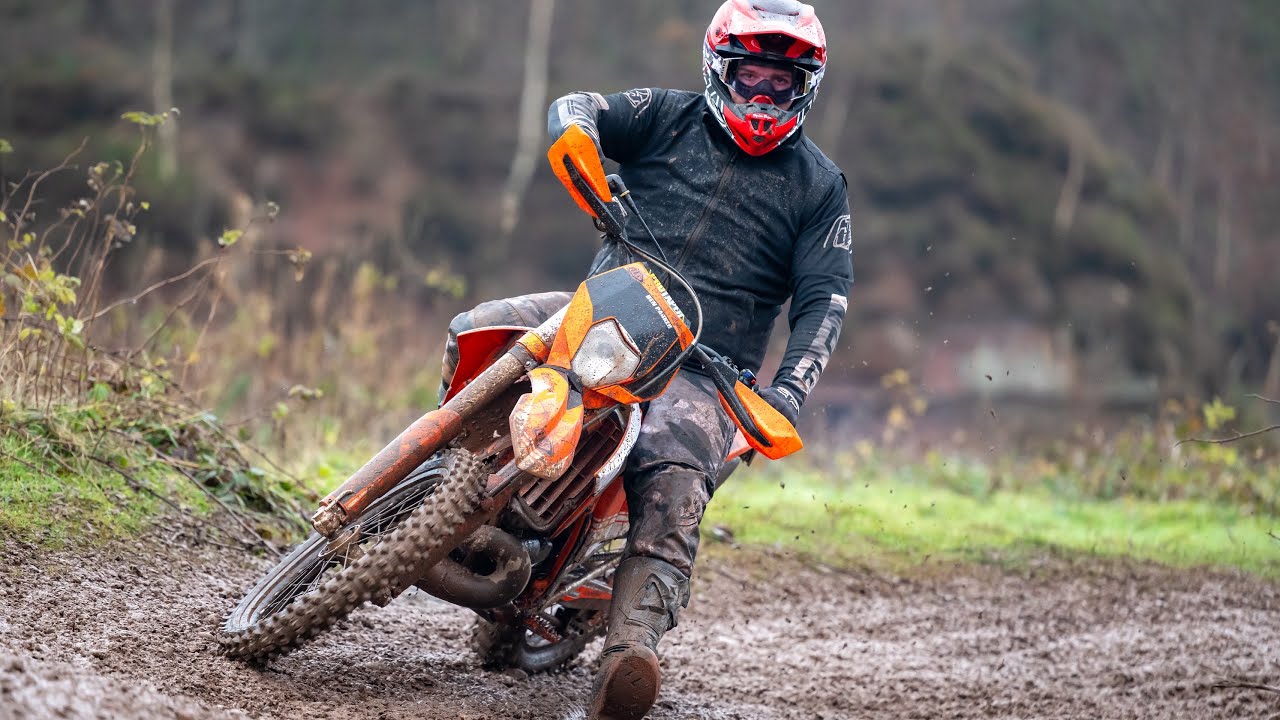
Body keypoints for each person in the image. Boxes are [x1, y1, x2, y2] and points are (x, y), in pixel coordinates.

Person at [439, 2, 851, 717]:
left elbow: (825, 299)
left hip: (706, 367)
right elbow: (580, 104)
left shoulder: (819, 186)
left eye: (779, 82)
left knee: (676, 481)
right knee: (475, 330)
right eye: (749, 74)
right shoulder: (665, 115)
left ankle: (631, 652)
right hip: (602, 307)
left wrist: (788, 391)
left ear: (804, 87)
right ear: (719, 68)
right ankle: (446, 487)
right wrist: (575, 135)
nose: (762, 94)